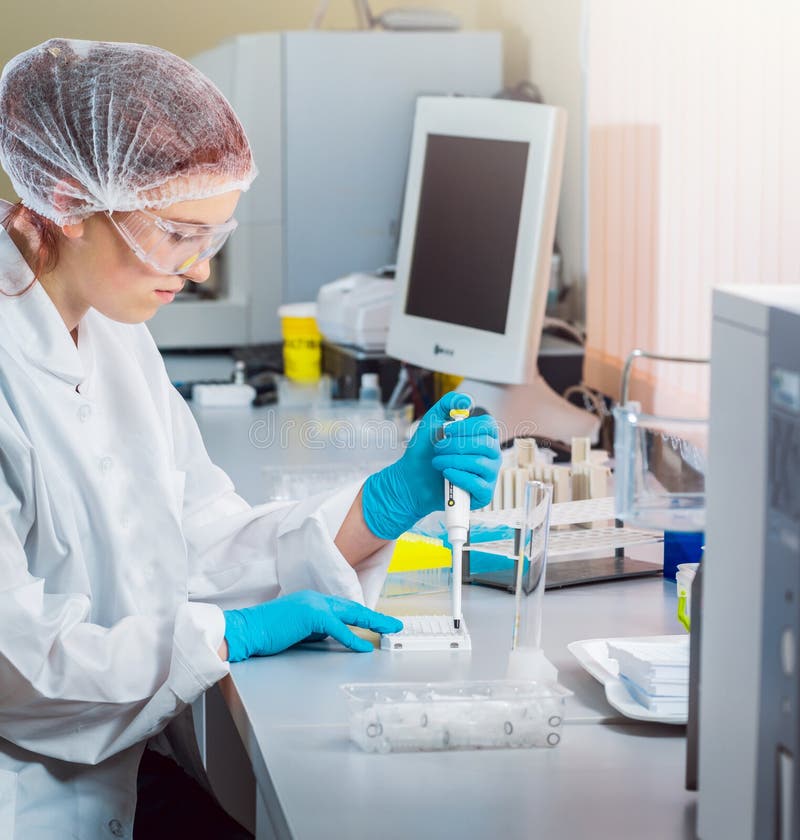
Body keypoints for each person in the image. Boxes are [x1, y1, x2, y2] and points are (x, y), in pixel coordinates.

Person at [0, 39, 502, 839]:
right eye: (176, 233)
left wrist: (383, 504)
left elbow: (192, 540)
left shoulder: (112, 327)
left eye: (212, 237)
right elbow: (20, 666)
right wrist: (229, 634)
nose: (199, 269)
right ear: (67, 201)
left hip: (114, 767)